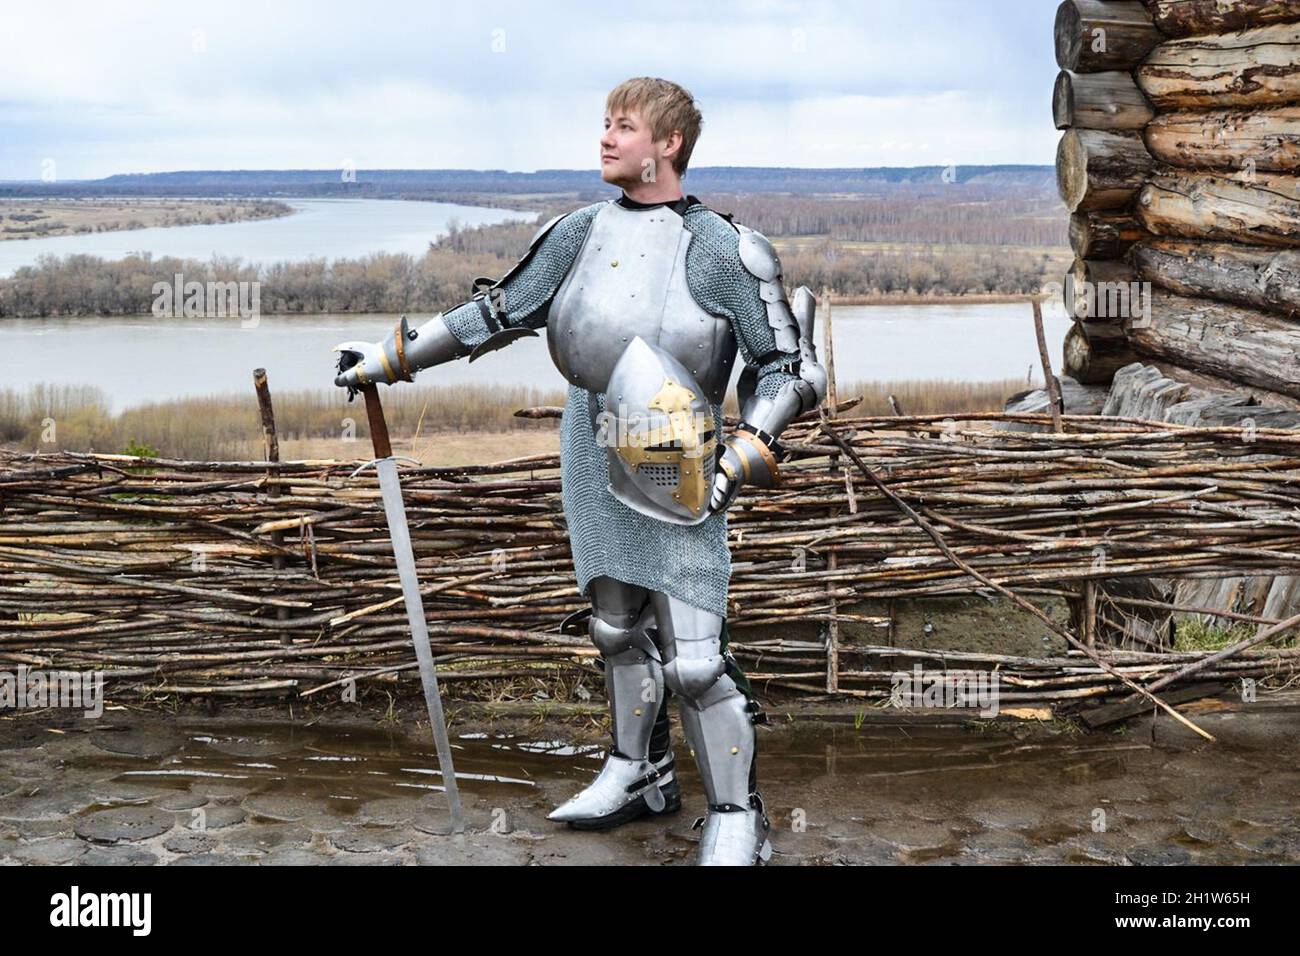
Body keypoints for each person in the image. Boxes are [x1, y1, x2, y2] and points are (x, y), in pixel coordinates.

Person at [334, 76, 826, 865]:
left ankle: (738, 814)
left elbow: (788, 370)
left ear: (667, 146)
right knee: (615, 628)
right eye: (603, 124)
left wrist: (743, 450)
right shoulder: (578, 232)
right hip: (589, 434)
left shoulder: (725, 250)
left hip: (681, 451)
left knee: (696, 661)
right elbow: (494, 316)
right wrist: (391, 358)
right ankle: (639, 772)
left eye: (622, 127)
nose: (604, 138)